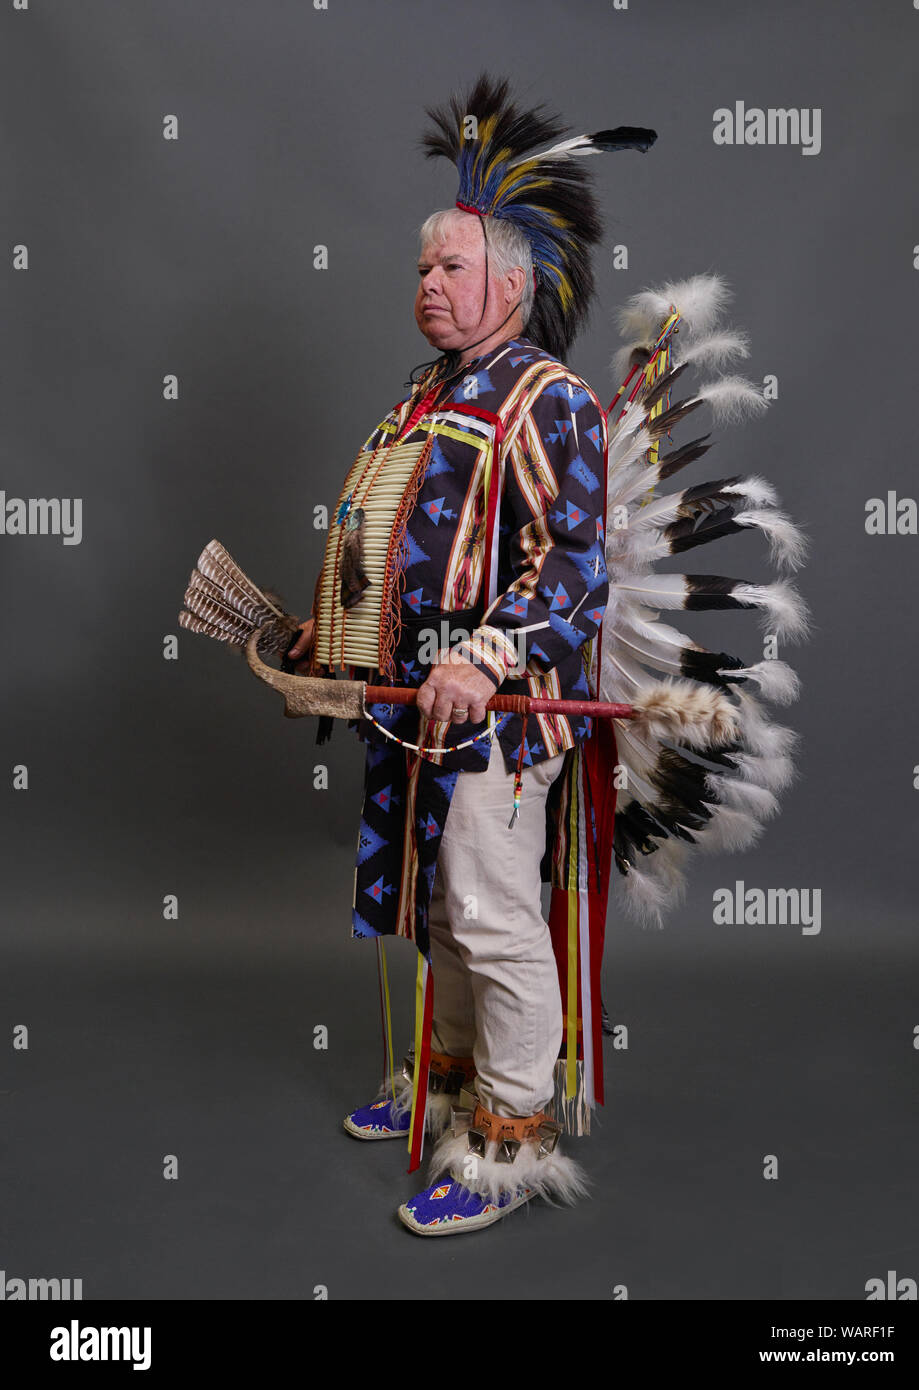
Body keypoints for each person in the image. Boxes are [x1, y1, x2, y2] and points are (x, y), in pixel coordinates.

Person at [287, 75, 657, 1235]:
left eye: (448, 268)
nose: (427, 286)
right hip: (415, 703)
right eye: (420, 270)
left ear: (514, 279)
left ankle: (508, 1132)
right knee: (442, 910)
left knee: (491, 912)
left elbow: (574, 565)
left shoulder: (542, 398)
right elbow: (386, 537)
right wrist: (334, 638)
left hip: (501, 710)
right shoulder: (424, 397)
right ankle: (442, 1083)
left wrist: (488, 656)